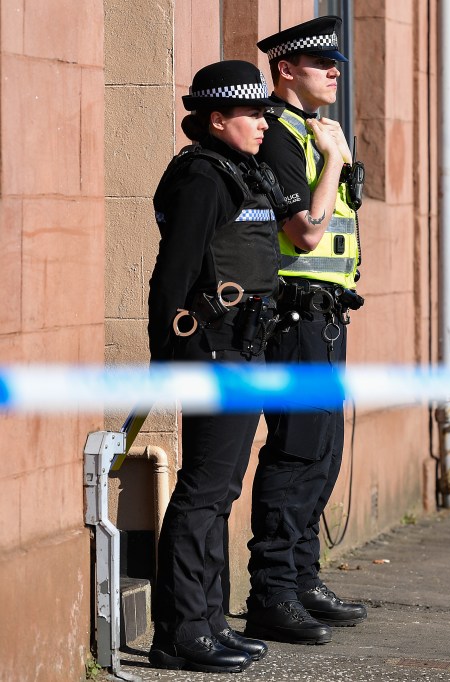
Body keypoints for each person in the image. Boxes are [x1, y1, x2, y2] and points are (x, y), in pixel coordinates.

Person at [147, 60, 285, 673]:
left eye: (264, 113)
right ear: (216, 119)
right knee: (203, 493)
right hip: (212, 351)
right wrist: (168, 354)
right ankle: (179, 632)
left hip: (245, 346)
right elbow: (173, 276)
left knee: (220, 491)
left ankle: (208, 621)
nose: (263, 124)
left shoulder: (242, 172)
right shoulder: (201, 178)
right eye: (252, 114)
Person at [243, 16, 368, 646]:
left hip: (326, 315)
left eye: (336, 63)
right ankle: (272, 593)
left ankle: (302, 577)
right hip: (292, 317)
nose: (335, 71)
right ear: (286, 69)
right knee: (294, 454)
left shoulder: (312, 131)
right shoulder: (279, 136)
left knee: (323, 451)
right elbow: (307, 233)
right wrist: (331, 159)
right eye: (323, 63)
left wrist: (332, 151)